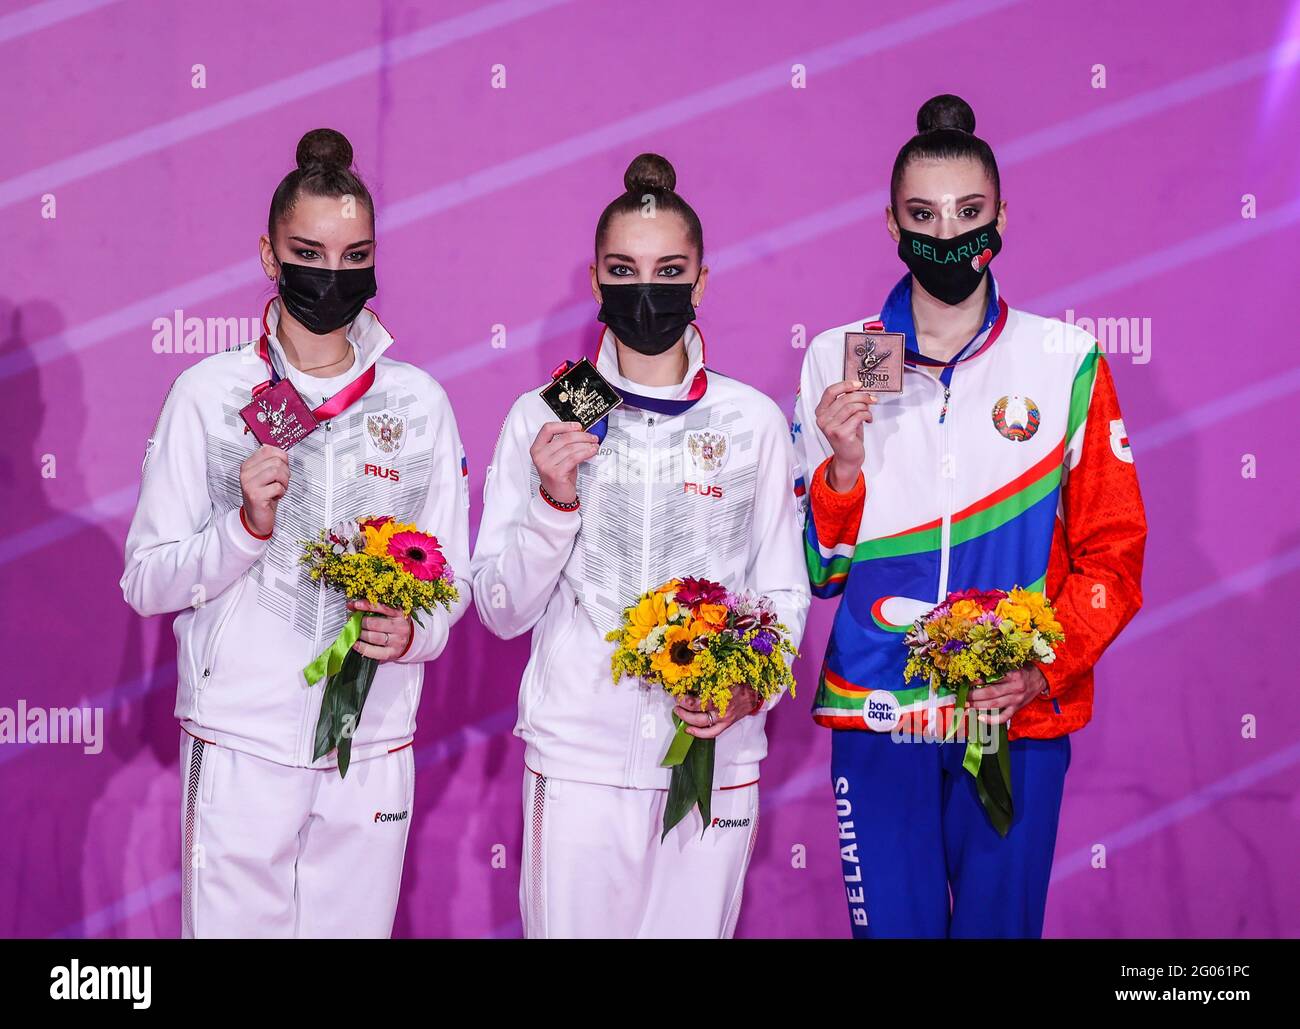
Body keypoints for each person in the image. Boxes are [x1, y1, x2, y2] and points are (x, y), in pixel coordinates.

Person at [793, 95, 1147, 938]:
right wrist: (842, 467)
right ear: (889, 223)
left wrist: (1039, 669)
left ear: (1001, 216)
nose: (945, 235)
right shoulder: (838, 360)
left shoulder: (1064, 361)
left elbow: (1114, 555)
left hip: (1015, 716)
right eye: (922, 215)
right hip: (878, 714)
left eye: (967, 214)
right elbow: (820, 570)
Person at [121, 128, 471, 938]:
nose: (333, 274)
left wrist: (412, 630)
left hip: (373, 741)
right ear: (269, 256)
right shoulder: (208, 393)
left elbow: (449, 587)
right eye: (309, 251)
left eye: (356, 255)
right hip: (243, 739)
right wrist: (244, 528)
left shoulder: (419, 402)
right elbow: (146, 580)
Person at [471, 153, 809, 939]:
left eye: (668, 269)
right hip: (580, 759)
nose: (645, 289)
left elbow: (783, 591)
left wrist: (747, 691)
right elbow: (499, 609)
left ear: (702, 280)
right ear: (594, 280)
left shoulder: (751, 420)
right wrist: (556, 501)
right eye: (623, 269)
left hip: (714, 754)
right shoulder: (545, 415)